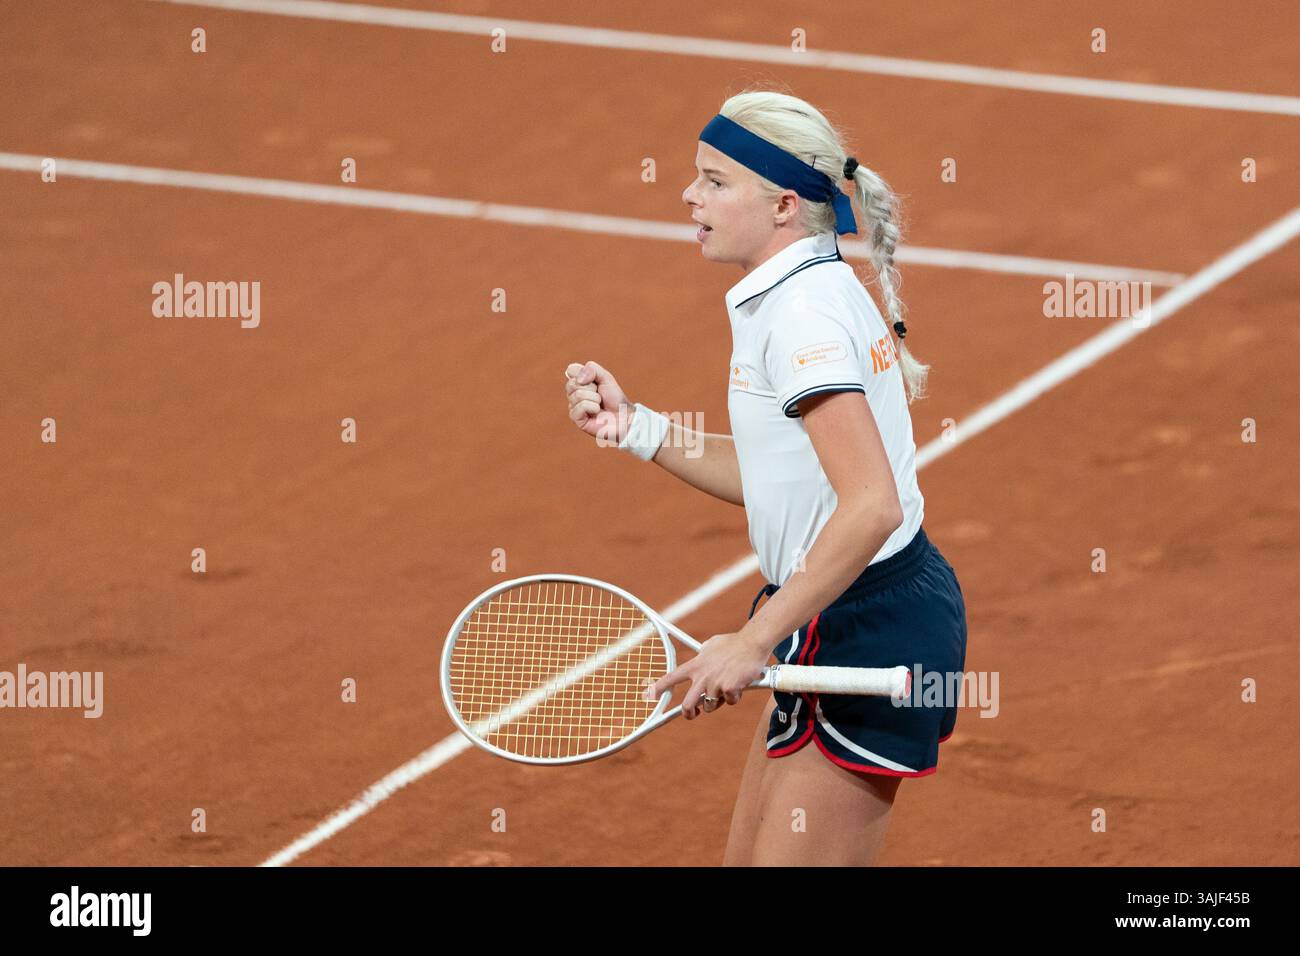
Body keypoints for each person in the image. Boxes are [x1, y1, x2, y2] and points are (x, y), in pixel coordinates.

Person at [562, 89, 968, 866]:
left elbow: (872, 506)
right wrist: (637, 427)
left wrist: (753, 638)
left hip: (867, 625)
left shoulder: (800, 318)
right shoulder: (796, 291)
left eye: (716, 181)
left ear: (784, 204)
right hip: (838, 608)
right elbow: (781, 478)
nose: (690, 194)